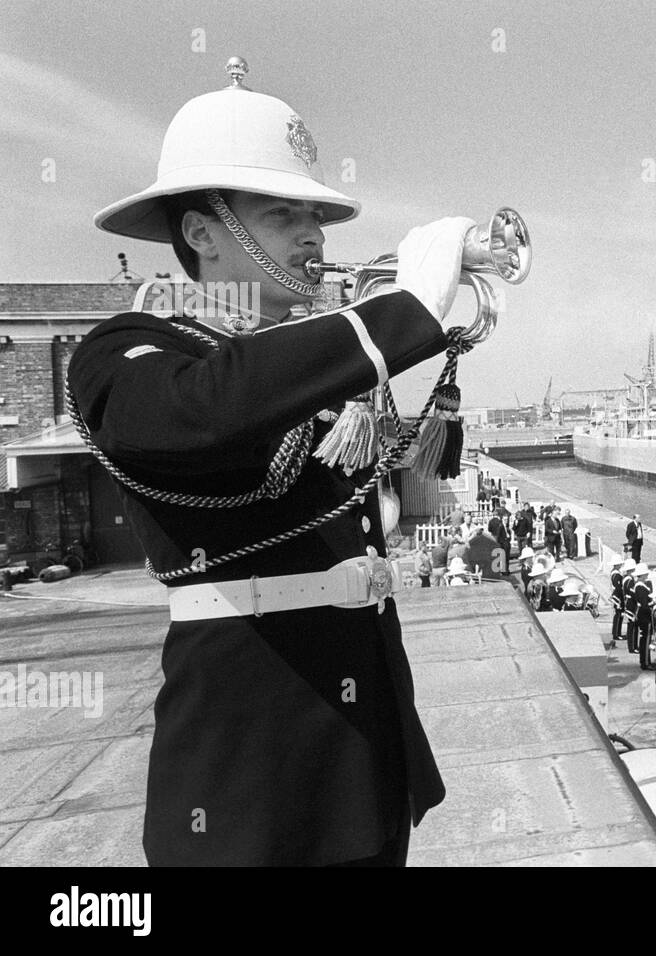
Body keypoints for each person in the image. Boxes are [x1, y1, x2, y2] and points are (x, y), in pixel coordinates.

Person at [65, 59, 475, 865]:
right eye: (282, 212)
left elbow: (404, 492)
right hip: (252, 783)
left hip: (367, 760)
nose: (314, 235)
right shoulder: (128, 351)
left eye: (315, 215)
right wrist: (391, 320)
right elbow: (203, 417)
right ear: (202, 233)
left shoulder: (302, 367)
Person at [630, 563, 653, 665]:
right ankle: (645, 662)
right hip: (644, 616)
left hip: (641, 615)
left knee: (644, 639)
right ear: (643, 575)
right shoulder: (641, 587)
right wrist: (653, 604)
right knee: (646, 639)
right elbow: (645, 605)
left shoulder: (639, 585)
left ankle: (644, 661)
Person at [609, 557, 632, 646]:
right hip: (618, 597)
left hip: (617, 596)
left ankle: (616, 632)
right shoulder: (616, 575)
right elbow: (618, 588)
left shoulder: (615, 573)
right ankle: (616, 634)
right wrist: (621, 599)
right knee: (618, 615)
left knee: (618, 615)